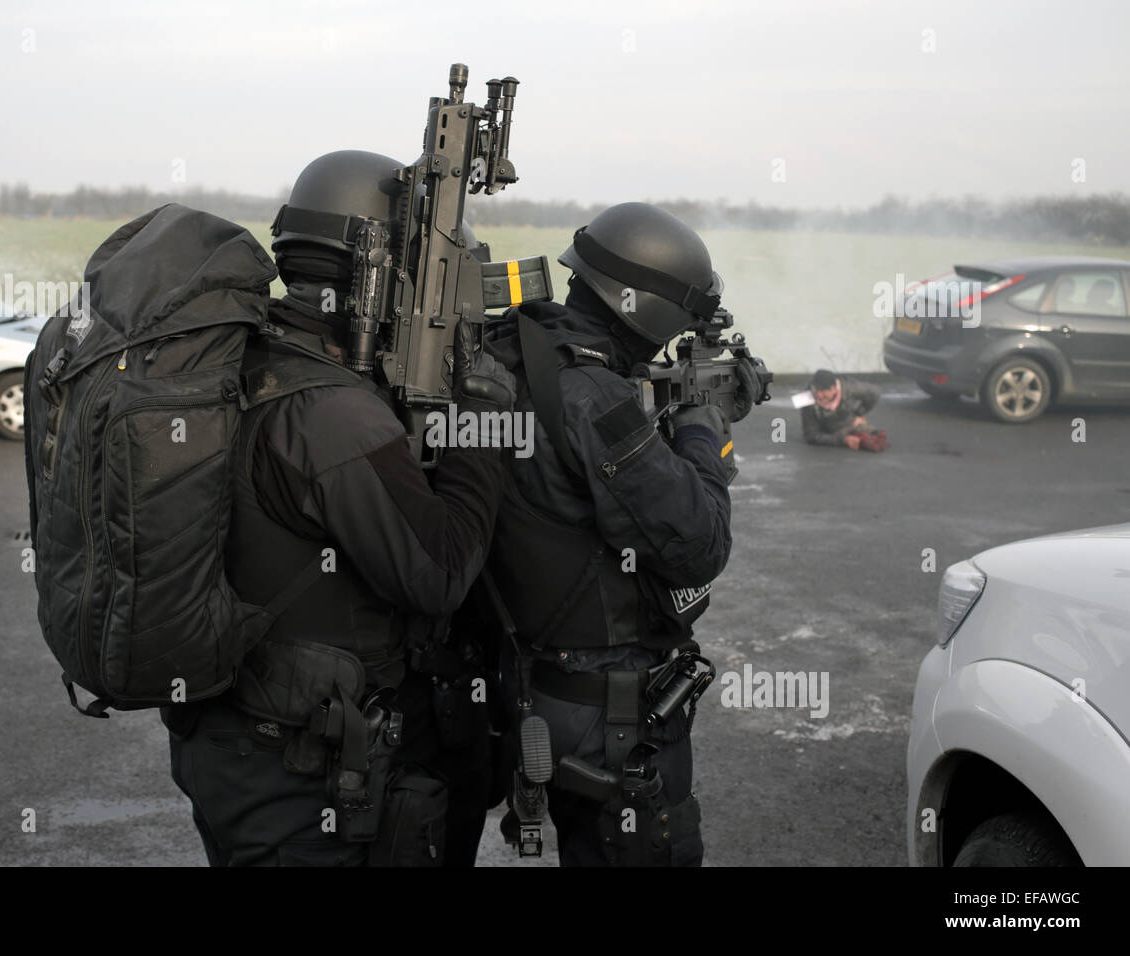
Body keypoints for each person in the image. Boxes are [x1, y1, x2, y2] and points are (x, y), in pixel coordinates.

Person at [158, 150, 515, 866]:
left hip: (242, 737)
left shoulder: (257, 356)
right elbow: (438, 571)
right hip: (296, 765)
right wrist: (480, 418)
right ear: (382, 273)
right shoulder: (334, 414)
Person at [472, 202, 758, 866]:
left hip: (533, 689)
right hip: (611, 717)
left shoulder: (514, 350)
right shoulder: (592, 396)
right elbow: (698, 547)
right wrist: (701, 431)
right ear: (651, 310)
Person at [801, 369, 888, 451]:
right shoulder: (805, 397)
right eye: (816, 391)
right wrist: (843, 441)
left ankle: (858, 431)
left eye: (823, 392)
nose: (819, 396)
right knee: (861, 440)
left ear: (834, 389)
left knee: (878, 437)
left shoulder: (850, 387)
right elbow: (811, 436)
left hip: (849, 421)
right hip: (827, 432)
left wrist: (859, 414)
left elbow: (874, 392)